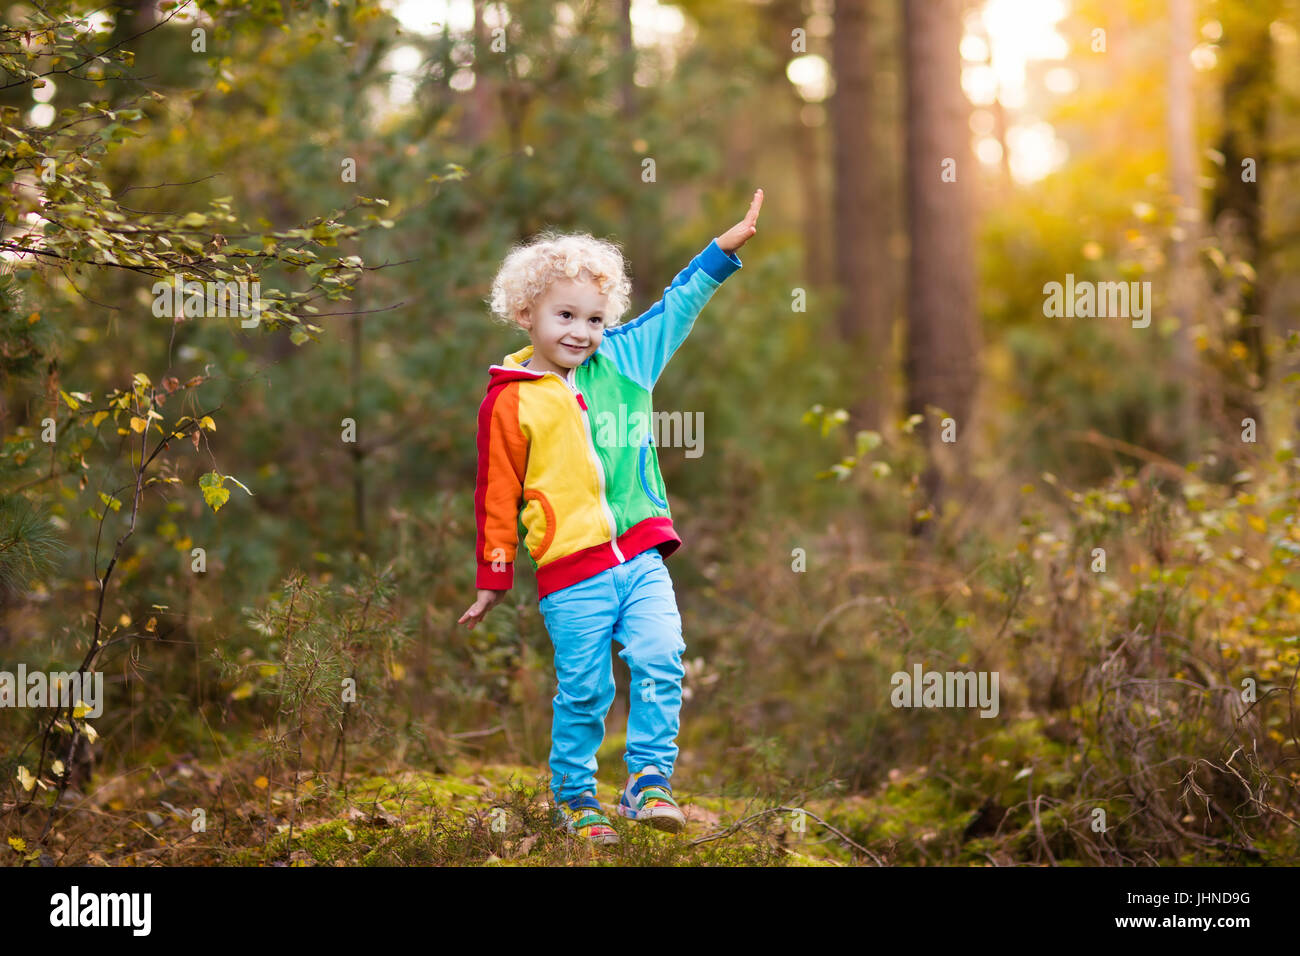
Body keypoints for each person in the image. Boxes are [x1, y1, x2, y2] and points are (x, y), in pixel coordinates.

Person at [459, 189, 764, 844]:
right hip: (571, 575)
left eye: (595, 319)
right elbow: (497, 492)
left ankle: (648, 781)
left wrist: (720, 253)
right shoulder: (508, 404)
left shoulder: (626, 361)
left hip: (642, 556)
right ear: (525, 313)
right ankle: (574, 796)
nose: (581, 332)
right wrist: (494, 574)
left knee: (662, 656)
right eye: (565, 315)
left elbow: (676, 308)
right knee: (587, 691)